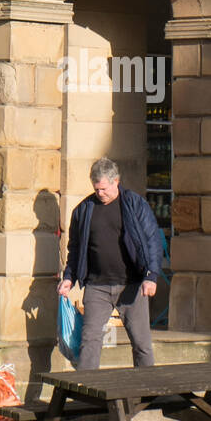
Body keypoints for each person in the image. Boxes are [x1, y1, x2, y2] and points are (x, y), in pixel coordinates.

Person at [58, 157, 162, 369]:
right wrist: (69, 277)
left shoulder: (134, 204)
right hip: (97, 286)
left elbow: (152, 240)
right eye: (96, 189)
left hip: (132, 285)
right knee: (90, 341)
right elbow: (75, 249)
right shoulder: (83, 210)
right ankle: (88, 391)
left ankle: (147, 391)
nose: (100, 193)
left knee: (141, 344)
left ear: (116, 181)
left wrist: (151, 276)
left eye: (104, 188)